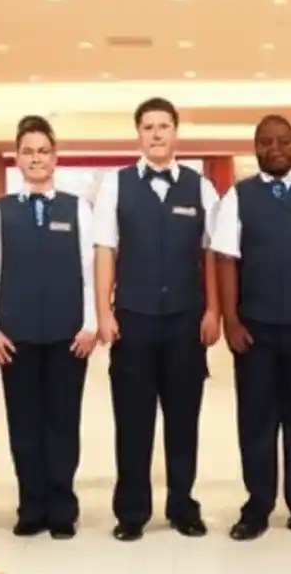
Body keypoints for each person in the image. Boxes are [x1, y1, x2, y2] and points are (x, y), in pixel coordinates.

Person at [93, 97, 221, 542]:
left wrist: (213, 309)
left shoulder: (202, 188)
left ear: (175, 132)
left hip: (186, 320)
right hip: (133, 319)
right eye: (148, 127)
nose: (156, 134)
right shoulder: (116, 184)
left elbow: (212, 254)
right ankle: (131, 511)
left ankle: (183, 506)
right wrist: (103, 311)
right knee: (133, 419)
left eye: (164, 126)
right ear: (138, 134)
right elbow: (105, 250)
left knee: (183, 419)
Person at [210, 115, 291, 542]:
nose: (276, 148)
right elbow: (226, 259)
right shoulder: (238, 197)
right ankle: (258, 505)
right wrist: (231, 320)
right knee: (256, 421)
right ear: (255, 148)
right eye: (266, 142)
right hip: (255, 332)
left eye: (284, 141)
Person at [0, 115, 96, 539]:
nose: (36, 158)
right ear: (17, 158)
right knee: (24, 424)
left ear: (55, 157)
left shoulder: (77, 208)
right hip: (16, 337)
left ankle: (62, 506)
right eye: (28, 152)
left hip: (69, 335)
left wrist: (91, 323)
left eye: (43, 151)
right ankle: (31, 506)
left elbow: (90, 270)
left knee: (63, 422)